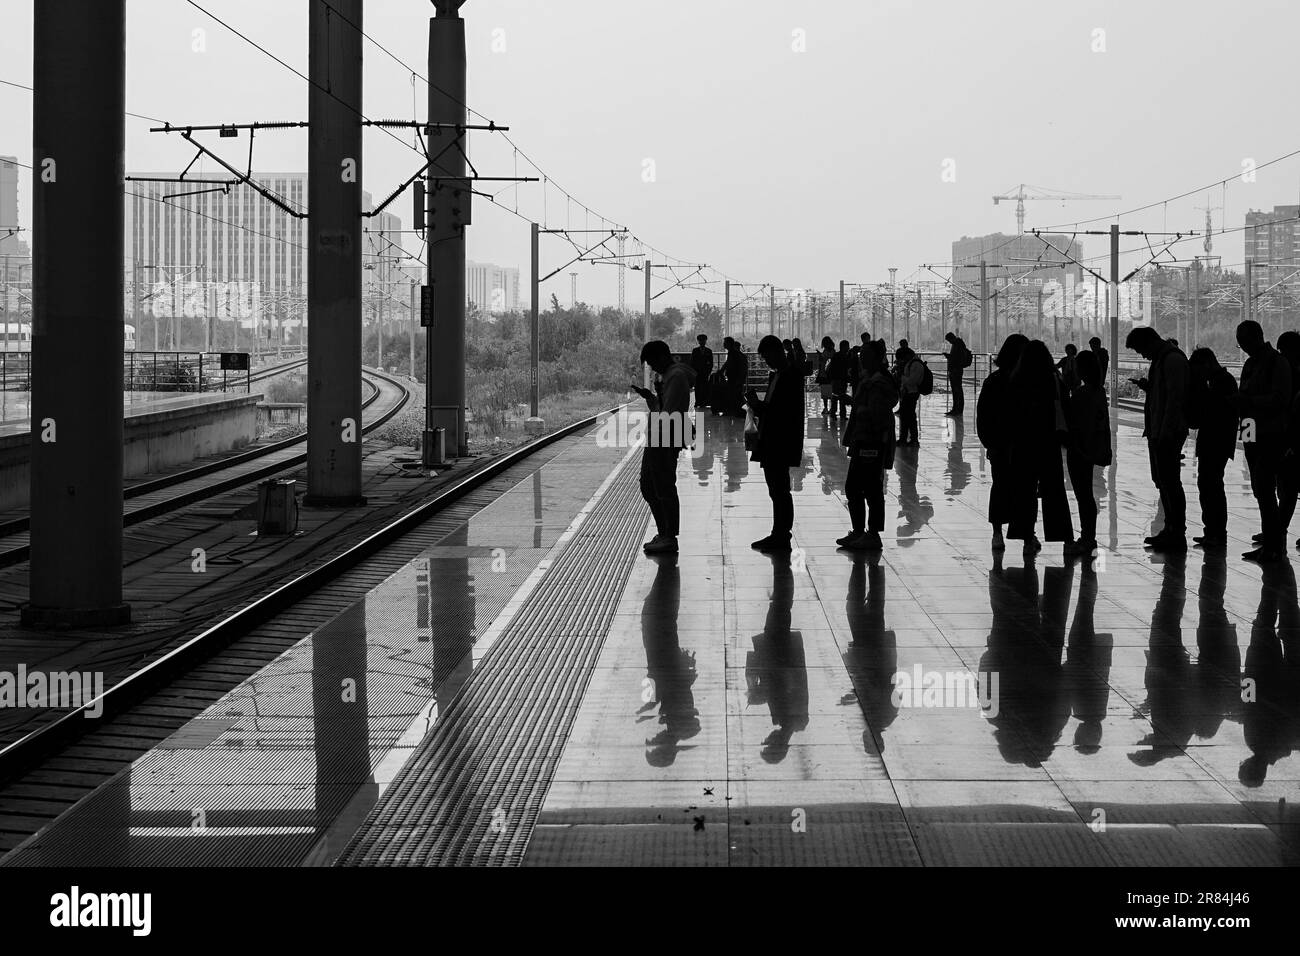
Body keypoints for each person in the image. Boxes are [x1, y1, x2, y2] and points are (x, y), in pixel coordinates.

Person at [1126, 326, 1190, 553]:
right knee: (1162, 481)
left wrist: (1165, 431)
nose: (1142, 355)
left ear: (1149, 342)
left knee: (1170, 482)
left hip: (1168, 433)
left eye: (1141, 350)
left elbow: (1175, 398)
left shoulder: (1172, 360)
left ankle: (1177, 531)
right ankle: (1169, 529)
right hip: (1159, 431)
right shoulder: (1162, 359)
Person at [1007, 339, 1074, 555]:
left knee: (1024, 492)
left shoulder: (1017, 380)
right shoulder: (1052, 378)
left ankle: (1028, 538)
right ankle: (1065, 539)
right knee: (1054, 491)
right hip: (1048, 442)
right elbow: (1065, 405)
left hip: (1022, 443)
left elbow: (1010, 412)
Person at [1235, 319, 1292, 561]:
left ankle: (1273, 545)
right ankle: (1271, 543)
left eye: (1245, 342)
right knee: (1261, 489)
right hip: (1252, 433)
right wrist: (1247, 442)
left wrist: (1251, 403)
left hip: (1270, 435)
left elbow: (1280, 399)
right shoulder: (1250, 364)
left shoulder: (1277, 363)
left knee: (1266, 490)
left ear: (1257, 337)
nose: (1244, 347)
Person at [633, 340, 696, 555]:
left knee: (661, 486)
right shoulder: (668, 376)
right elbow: (664, 408)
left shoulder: (676, 377)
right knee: (651, 485)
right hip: (659, 436)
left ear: (662, 356)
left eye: (651, 361)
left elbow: (671, 413)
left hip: (665, 438)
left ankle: (669, 537)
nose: (651, 366)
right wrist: (651, 398)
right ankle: (664, 533)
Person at [745, 335, 805, 553]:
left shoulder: (790, 376)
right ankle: (778, 533)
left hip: (780, 440)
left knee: (779, 490)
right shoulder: (779, 375)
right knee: (777, 489)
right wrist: (758, 406)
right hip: (774, 439)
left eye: (767, 357)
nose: (766, 362)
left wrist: (756, 406)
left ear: (776, 352)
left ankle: (781, 535)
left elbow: (782, 412)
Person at [838, 339, 897, 551]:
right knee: (856, 487)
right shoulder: (869, 380)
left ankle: (871, 534)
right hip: (863, 440)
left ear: (875, 358)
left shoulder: (877, 384)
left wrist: (859, 407)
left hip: (871, 442)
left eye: (865, 355)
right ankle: (859, 532)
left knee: (868, 488)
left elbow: (877, 414)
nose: (861, 358)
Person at [977, 333, 1029, 552]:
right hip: (1023, 447)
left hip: (999, 446)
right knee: (1025, 491)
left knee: (1000, 487)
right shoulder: (1028, 383)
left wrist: (990, 443)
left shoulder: (993, 381)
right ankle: (1028, 537)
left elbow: (983, 417)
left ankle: (997, 534)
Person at [1185, 347, 1239, 548]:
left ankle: (1216, 532)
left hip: (1217, 441)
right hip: (1213, 440)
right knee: (1208, 485)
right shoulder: (1219, 381)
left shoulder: (1222, 382)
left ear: (1206, 363)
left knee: (1212, 486)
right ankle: (1212, 531)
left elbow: (1212, 411)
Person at [1065, 350, 1111, 555]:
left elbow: (1072, 420)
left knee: (1083, 495)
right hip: (1091, 447)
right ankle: (1088, 536)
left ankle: (1087, 538)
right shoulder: (1099, 391)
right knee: (1087, 496)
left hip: (1079, 448)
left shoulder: (1082, 394)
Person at [1275, 331, 1300, 547]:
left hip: (1290, 440)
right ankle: (1276, 531)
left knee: (1287, 489)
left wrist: (1249, 439)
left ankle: (1277, 532)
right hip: (1288, 440)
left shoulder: (1287, 372)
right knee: (1286, 489)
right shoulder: (1289, 371)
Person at [896, 349, 925, 446]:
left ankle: (913, 439)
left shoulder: (916, 364)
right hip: (908, 393)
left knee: (910, 417)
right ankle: (904, 438)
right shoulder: (911, 363)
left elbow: (912, 381)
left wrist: (902, 377)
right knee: (905, 416)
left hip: (911, 393)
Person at [943, 331, 970, 416]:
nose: (949, 342)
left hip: (955, 370)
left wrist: (947, 356)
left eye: (949, 340)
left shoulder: (957, 345)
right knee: (957, 389)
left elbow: (955, 358)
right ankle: (957, 409)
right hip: (956, 370)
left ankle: (957, 409)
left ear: (951, 338)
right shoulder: (959, 344)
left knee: (956, 390)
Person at [722, 336, 748, 418]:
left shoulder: (733, 353)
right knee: (736, 394)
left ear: (729, 344)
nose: (723, 344)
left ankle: (740, 412)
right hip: (735, 378)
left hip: (735, 378)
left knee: (735, 394)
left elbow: (736, 366)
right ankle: (738, 411)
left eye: (725, 343)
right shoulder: (733, 353)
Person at [689, 334, 713, 409]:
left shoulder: (707, 351)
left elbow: (711, 363)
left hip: (704, 372)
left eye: (703, 340)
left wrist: (708, 371)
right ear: (698, 341)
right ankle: (698, 402)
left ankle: (703, 402)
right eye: (701, 340)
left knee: (704, 387)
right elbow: (692, 362)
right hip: (698, 372)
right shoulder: (697, 350)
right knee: (698, 387)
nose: (702, 341)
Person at [815, 336, 837, 414]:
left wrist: (820, 356)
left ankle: (826, 408)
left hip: (824, 374)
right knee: (831, 391)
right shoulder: (832, 351)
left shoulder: (827, 351)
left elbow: (825, 360)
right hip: (829, 374)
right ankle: (831, 408)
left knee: (825, 392)